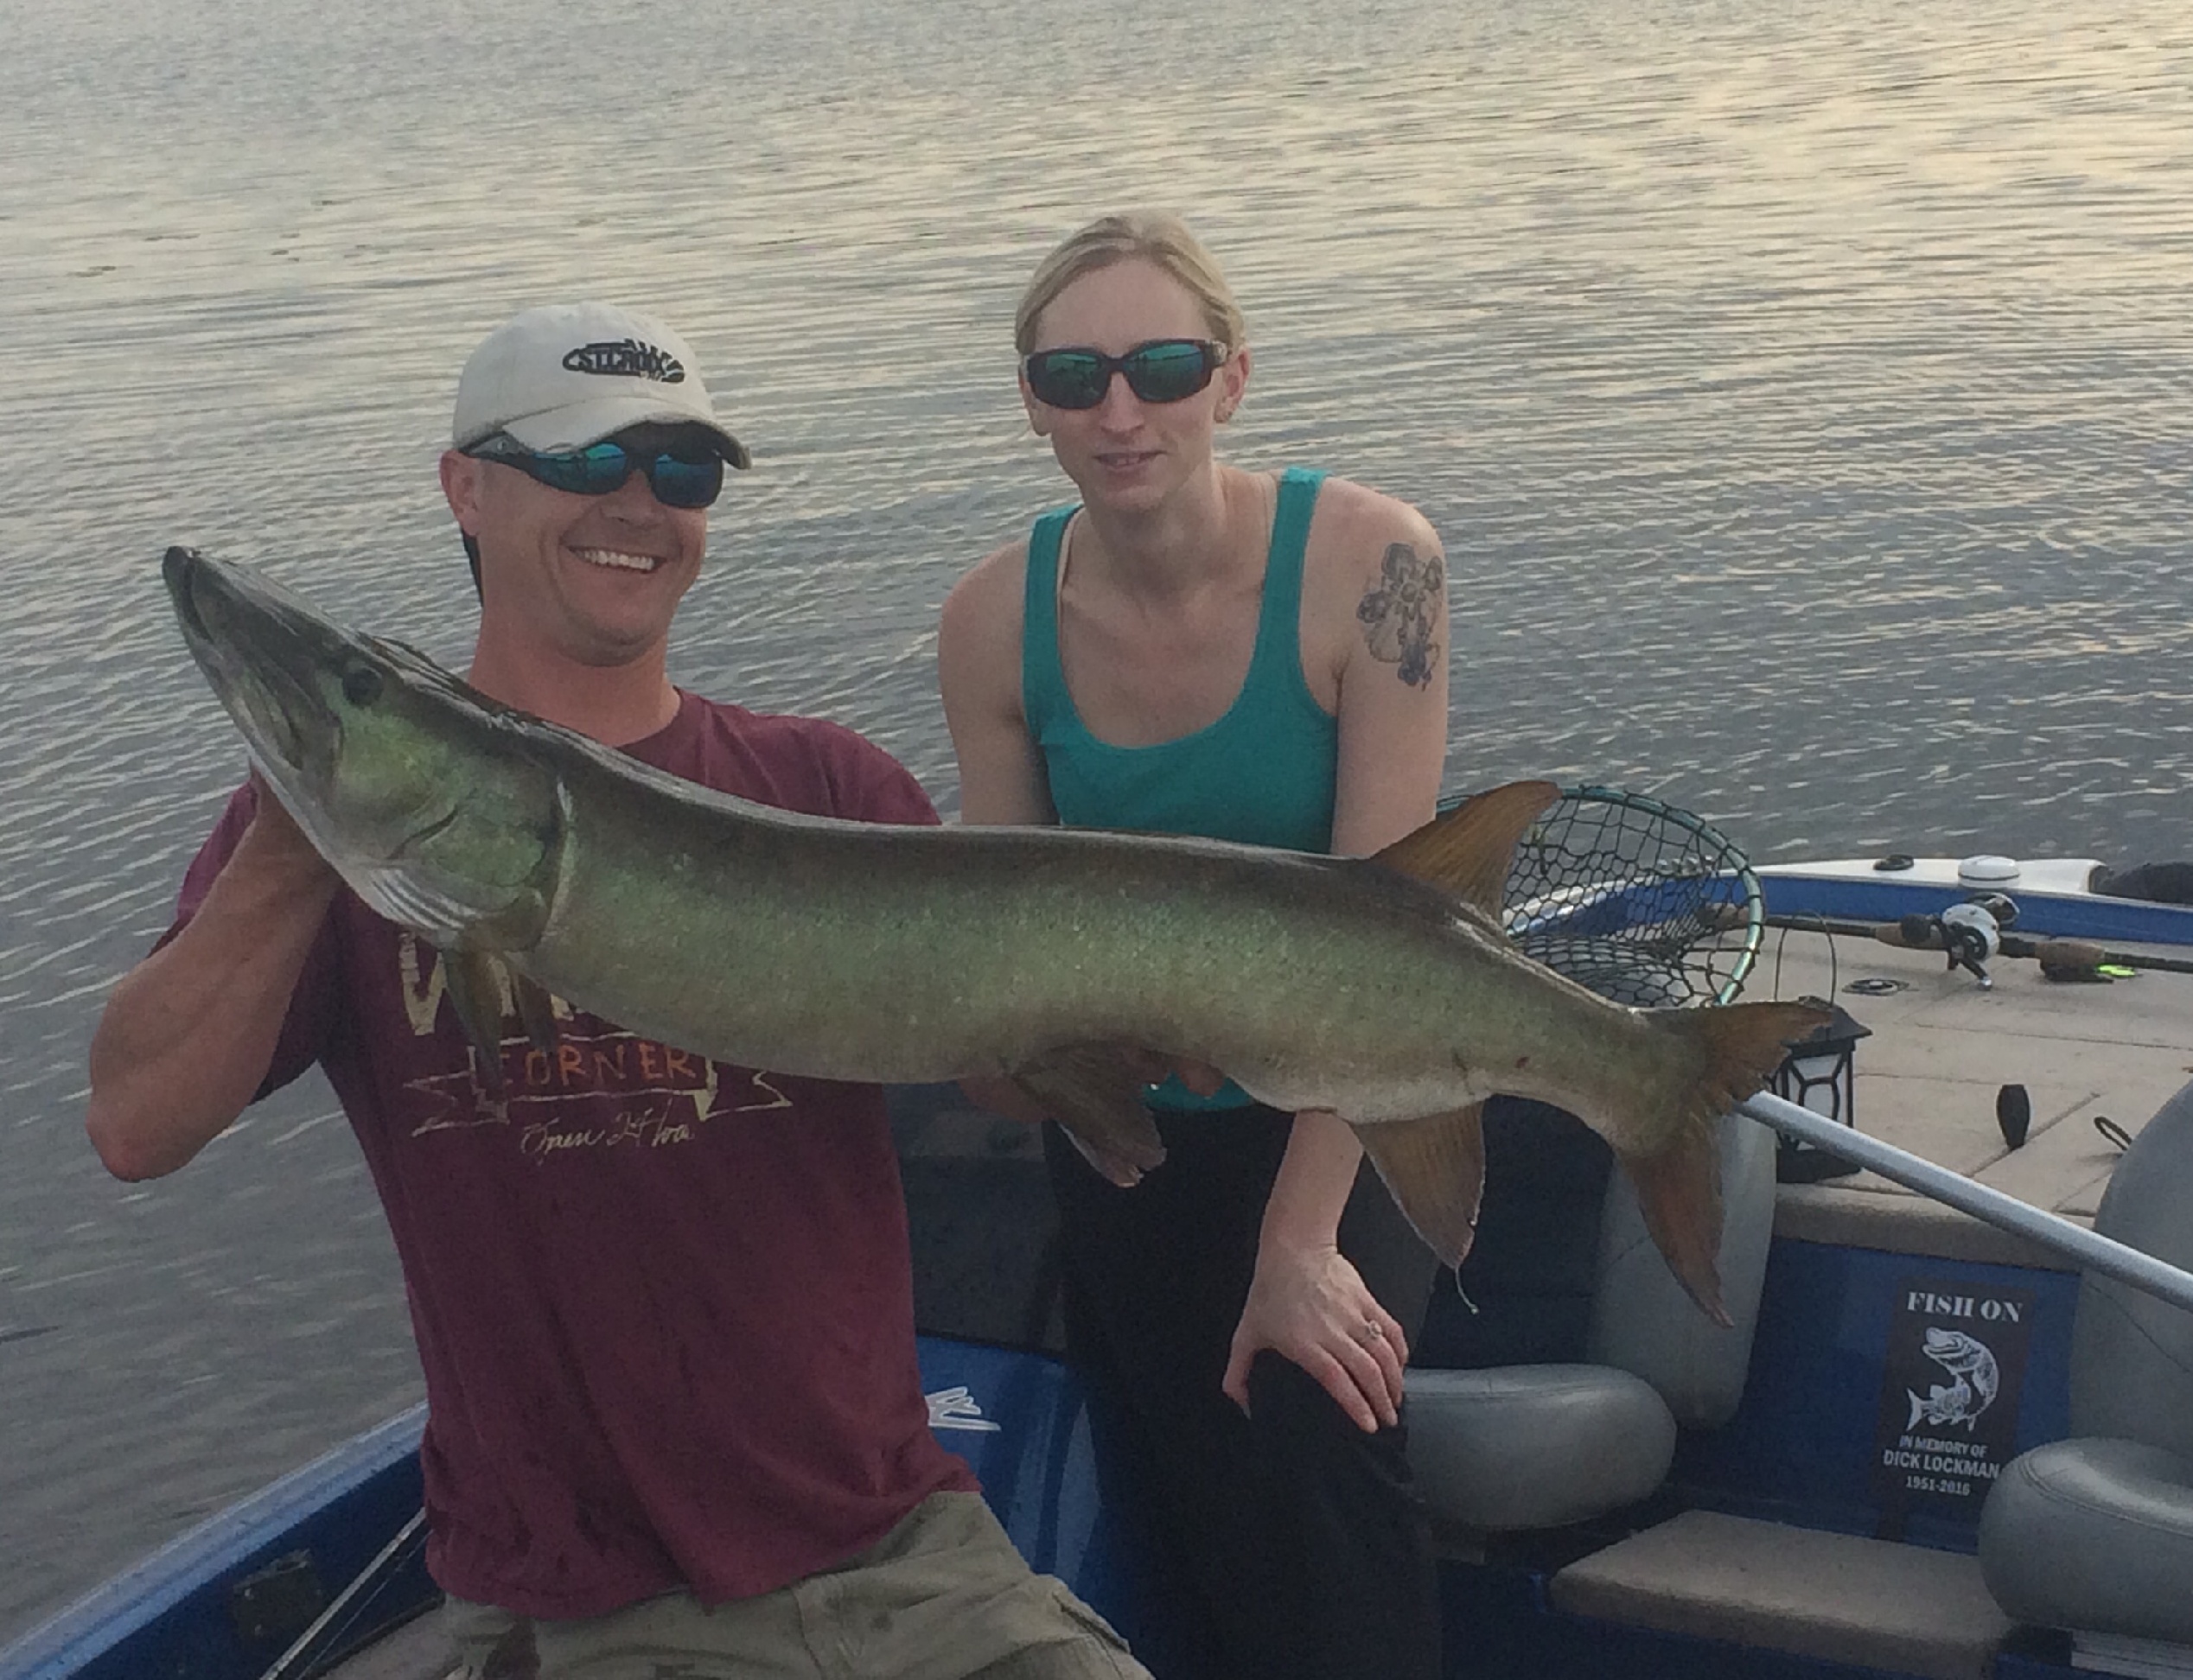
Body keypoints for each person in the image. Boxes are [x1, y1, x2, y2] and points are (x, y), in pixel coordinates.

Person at [86, 301, 1151, 1680]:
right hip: (583, 1606)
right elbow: (135, 1122)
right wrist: (306, 830)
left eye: (681, 473)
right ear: (464, 485)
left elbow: (1003, 1068)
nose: (639, 508)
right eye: (588, 465)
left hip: (907, 1562)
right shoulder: (310, 843)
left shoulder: (826, 789)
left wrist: (1149, 1019)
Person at [938, 213, 1451, 1680]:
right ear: (1029, 398)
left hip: (1366, 1094)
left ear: (1230, 380)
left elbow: (1388, 953)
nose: (1120, 411)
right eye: (1072, 376)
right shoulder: (990, 625)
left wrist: (1298, 1248)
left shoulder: (1374, 565)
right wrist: (1007, 1063)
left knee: (1312, 1417)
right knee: (1181, 1496)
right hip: (1137, 1131)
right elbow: (1003, 959)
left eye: (1162, 366)